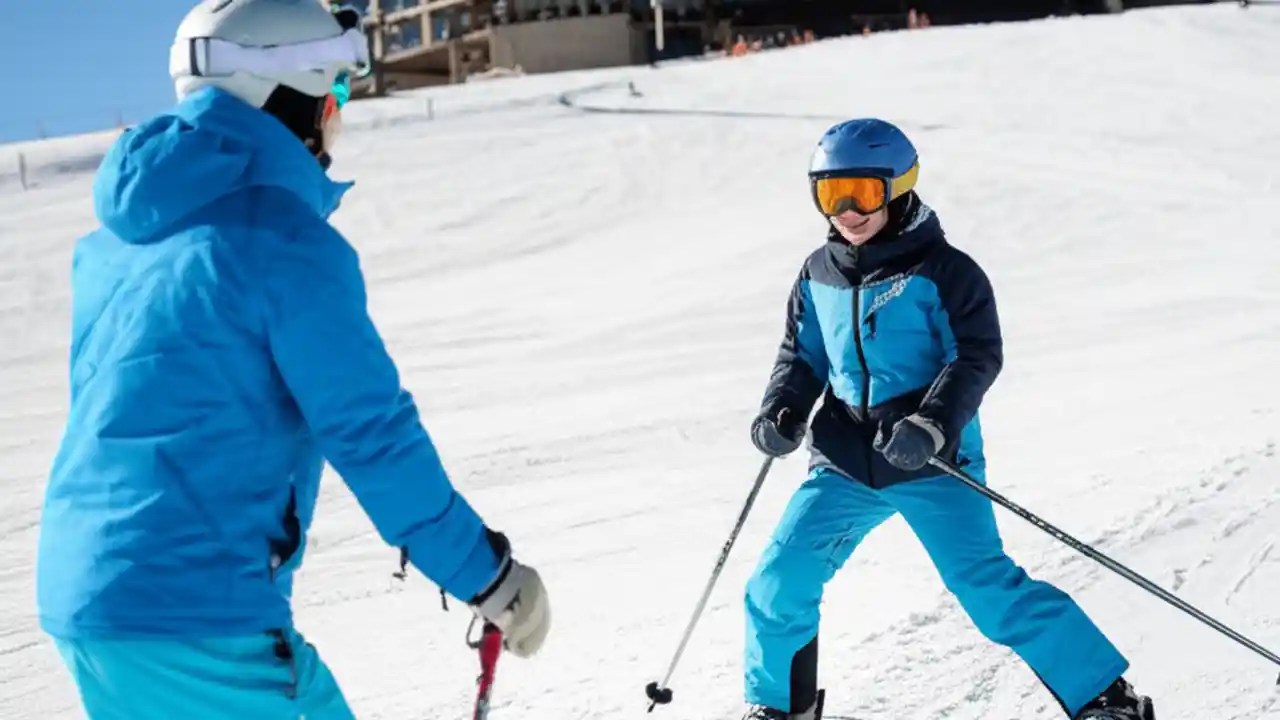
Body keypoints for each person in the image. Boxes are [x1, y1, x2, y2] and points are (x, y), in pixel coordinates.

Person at [34, 1, 550, 718]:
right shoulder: (284, 243)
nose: (337, 116)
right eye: (334, 92)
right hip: (198, 611)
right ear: (285, 94)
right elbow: (371, 432)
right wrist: (484, 573)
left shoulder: (116, 247)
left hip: (85, 599)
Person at [741, 118, 1154, 720]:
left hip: (930, 460)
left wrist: (931, 424)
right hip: (844, 463)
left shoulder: (945, 271)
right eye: (832, 194)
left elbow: (977, 356)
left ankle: (1105, 698)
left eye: (863, 191)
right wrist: (780, 409)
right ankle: (781, 709)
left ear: (899, 187)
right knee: (778, 581)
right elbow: (801, 358)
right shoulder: (817, 274)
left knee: (988, 589)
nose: (848, 210)